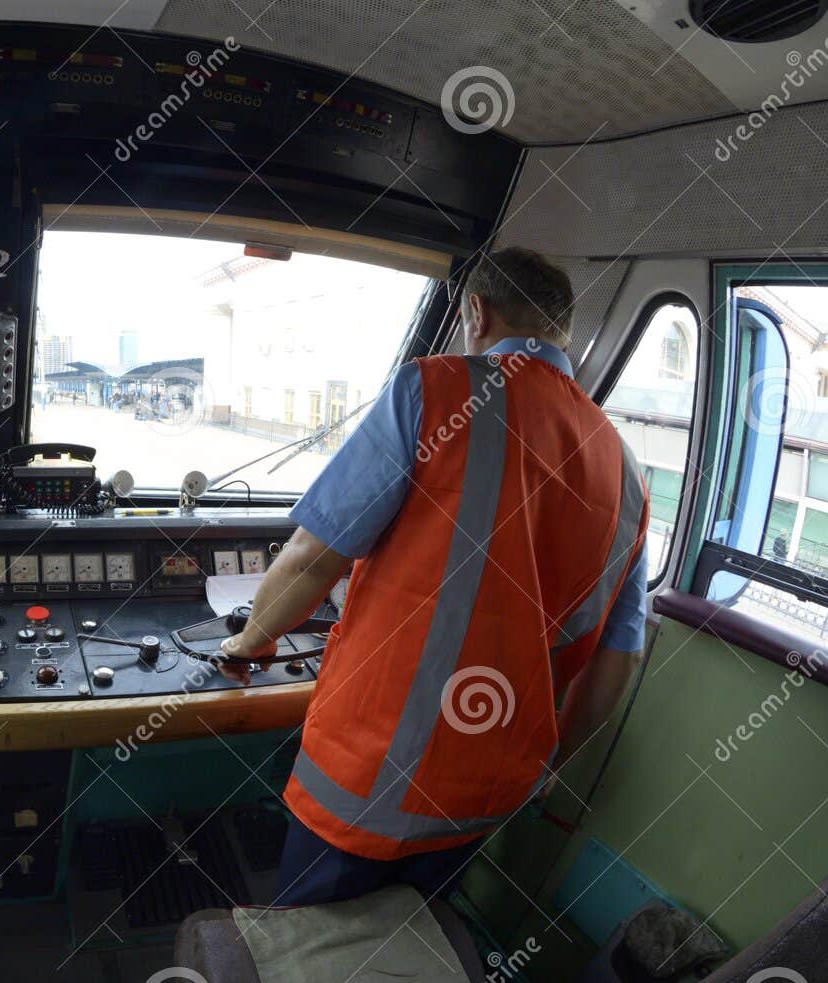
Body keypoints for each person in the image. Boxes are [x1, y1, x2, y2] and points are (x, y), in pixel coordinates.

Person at [219, 248, 648, 906]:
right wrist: (549, 763)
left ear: (476, 312)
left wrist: (250, 639)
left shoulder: (436, 389)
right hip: (488, 790)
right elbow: (618, 657)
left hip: (369, 779)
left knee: (310, 960)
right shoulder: (627, 471)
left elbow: (313, 556)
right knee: (406, 942)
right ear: (562, 330)